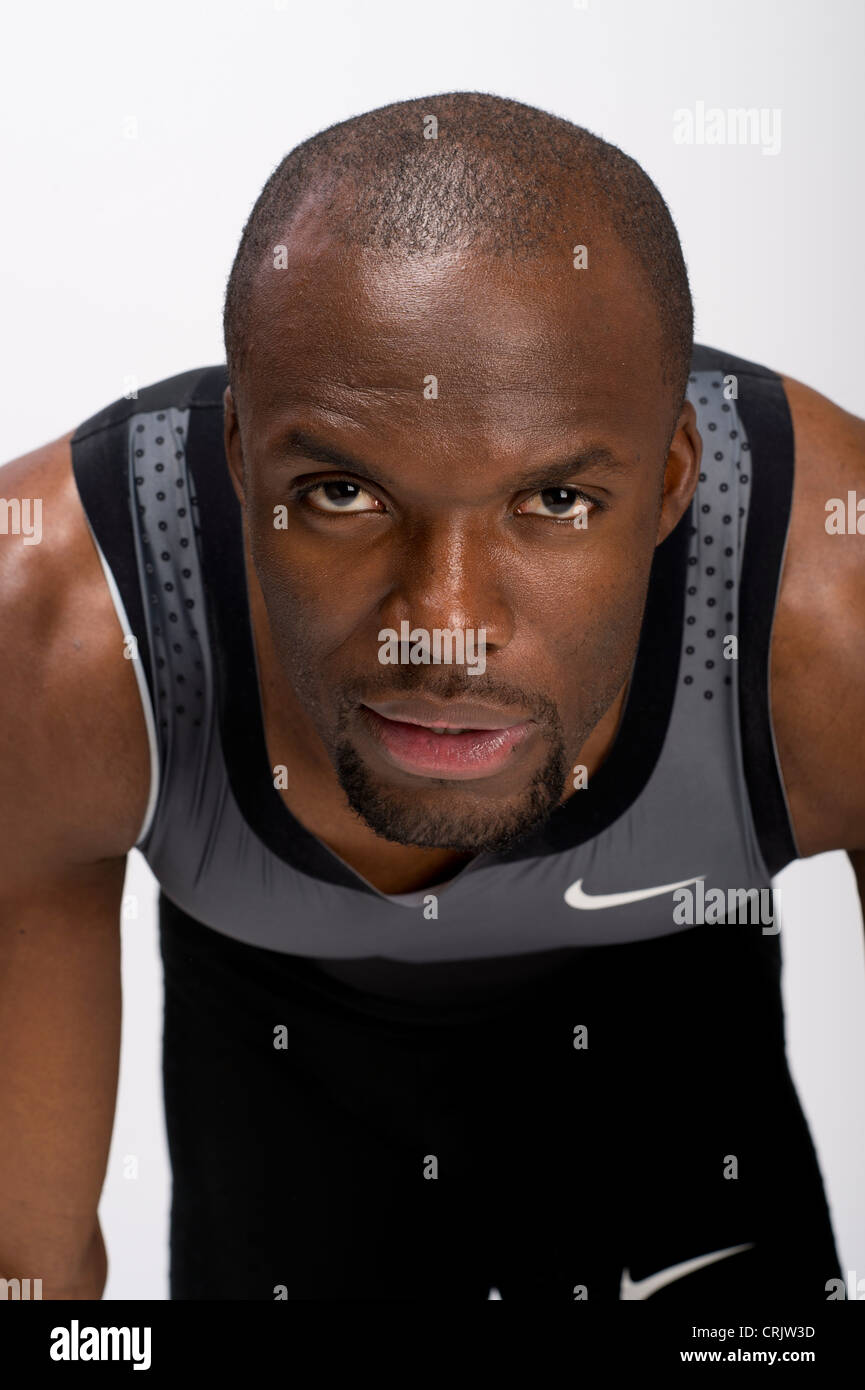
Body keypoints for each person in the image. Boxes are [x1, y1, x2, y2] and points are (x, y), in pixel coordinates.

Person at [2, 91, 863, 1301]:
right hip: (278, 1111)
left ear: (675, 483)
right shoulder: (57, 633)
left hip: (681, 1126)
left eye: (553, 502)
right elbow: (25, 1282)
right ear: (239, 459)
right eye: (347, 495)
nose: (443, 629)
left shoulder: (832, 613)